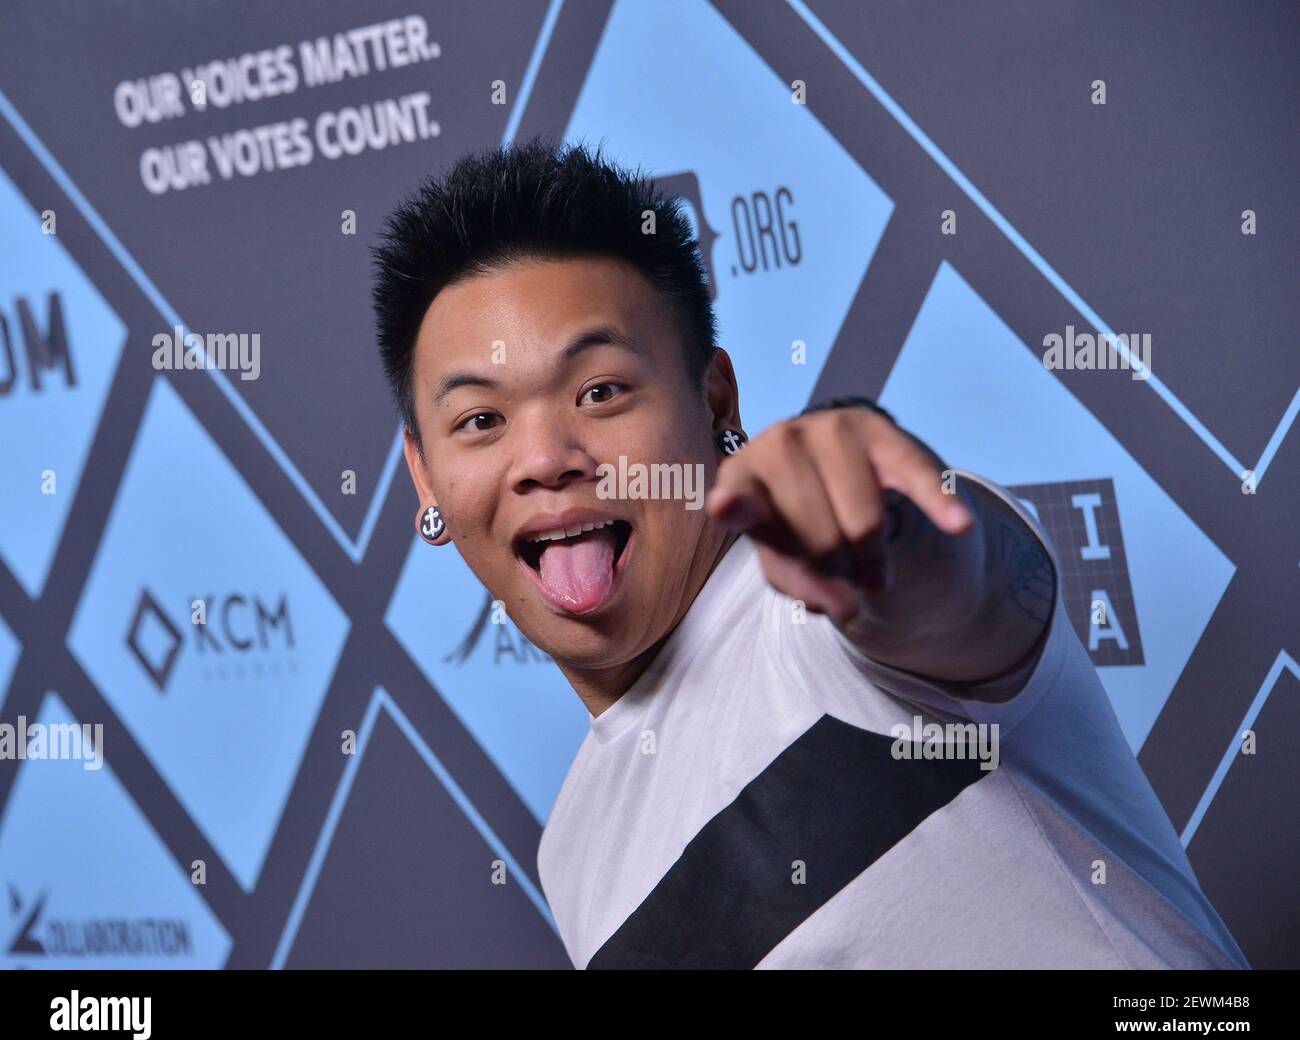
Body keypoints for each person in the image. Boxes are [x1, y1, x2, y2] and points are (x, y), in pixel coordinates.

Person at [370, 136, 1248, 970]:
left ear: (715, 402)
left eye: (600, 391)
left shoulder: (818, 617)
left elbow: (961, 590)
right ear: (426, 477)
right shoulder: (573, 854)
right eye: (480, 421)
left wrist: (890, 542)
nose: (544, 460)